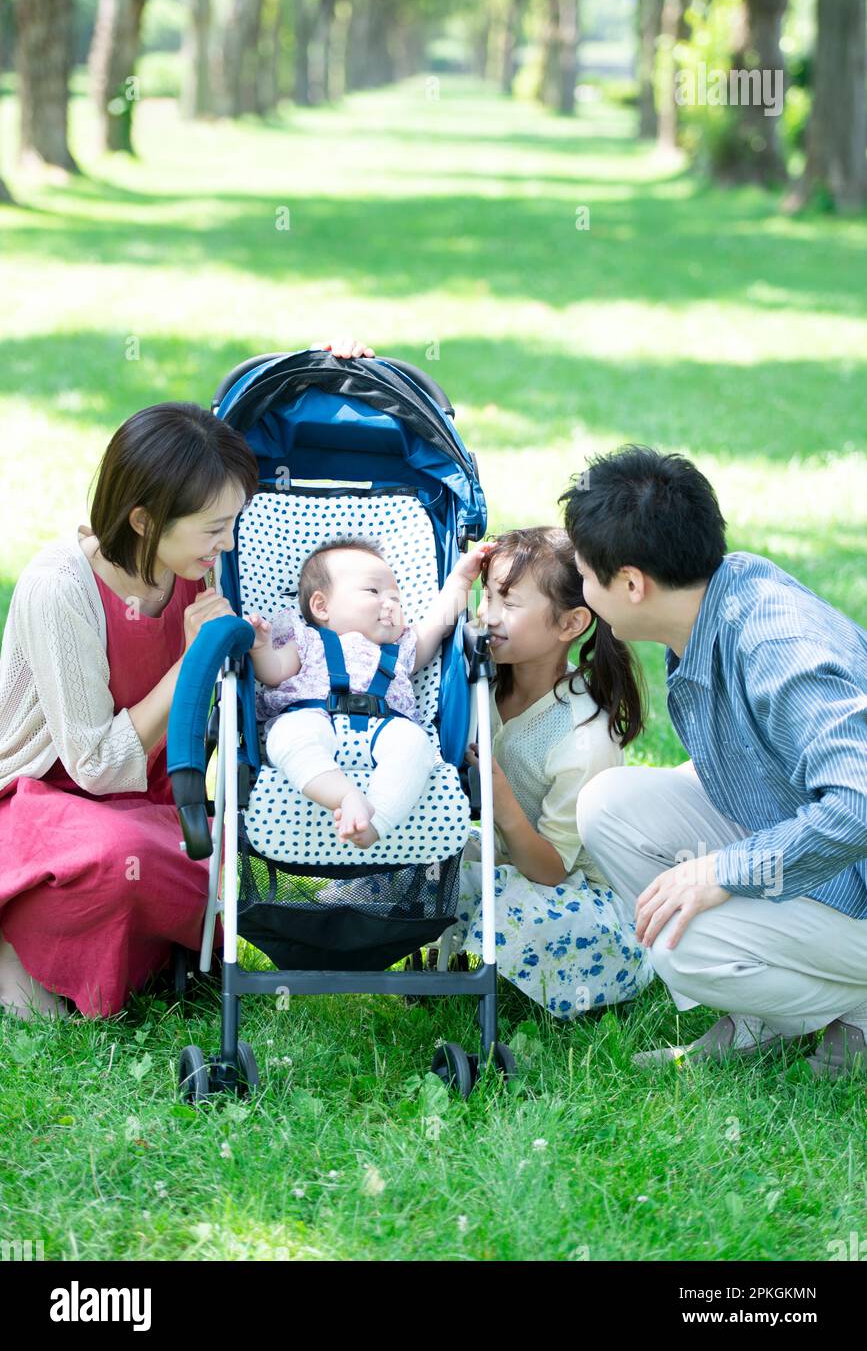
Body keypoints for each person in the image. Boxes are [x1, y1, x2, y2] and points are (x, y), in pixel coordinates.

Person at [0, 338, 373, 1022]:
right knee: (123, 859)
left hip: (158, 799)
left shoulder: (197, 566)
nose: (226, 543)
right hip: (45, 801)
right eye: (213, 527)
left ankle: (114, 956)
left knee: (221, 871)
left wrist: (330, 374)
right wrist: (188, 663)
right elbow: (96, 766)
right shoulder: (62, 589)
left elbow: (209, 436)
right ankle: (19, 943)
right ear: (143, 519)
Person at [565, 446, 867, 1076]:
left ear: (631, 584)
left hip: (856, 872)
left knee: (683, 942)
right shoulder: (718, 592)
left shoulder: (778, 645)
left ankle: (855, 1009)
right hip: (816, 846)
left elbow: (859, 802)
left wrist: (722, 872)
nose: (581, 592)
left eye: (585, 577)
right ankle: (762, 1019)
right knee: (609, 805)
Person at [448, 526, 653, 1020]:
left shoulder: (583, 736)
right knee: (426, 866)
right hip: (507, 862)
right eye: (488, 596)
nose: (487, 616)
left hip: (577, 897)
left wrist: (501, 794)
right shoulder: (482, 678)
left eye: (510, 604)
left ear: (571, 624)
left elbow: (552, 869)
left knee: (487, 893)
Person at [246, 534, 495, 848]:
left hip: (387, 727)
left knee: (416, 745)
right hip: (314, 717)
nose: (389, 604)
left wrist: (461, 579)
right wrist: (261, 648)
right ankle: (345, 796)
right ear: (321, 606)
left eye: (396, 598)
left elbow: (439, 622)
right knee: (288, 733)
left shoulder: (401, 647)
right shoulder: (308, 640)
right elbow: (273, 672)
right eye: (374, 592)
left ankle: (374, 824)